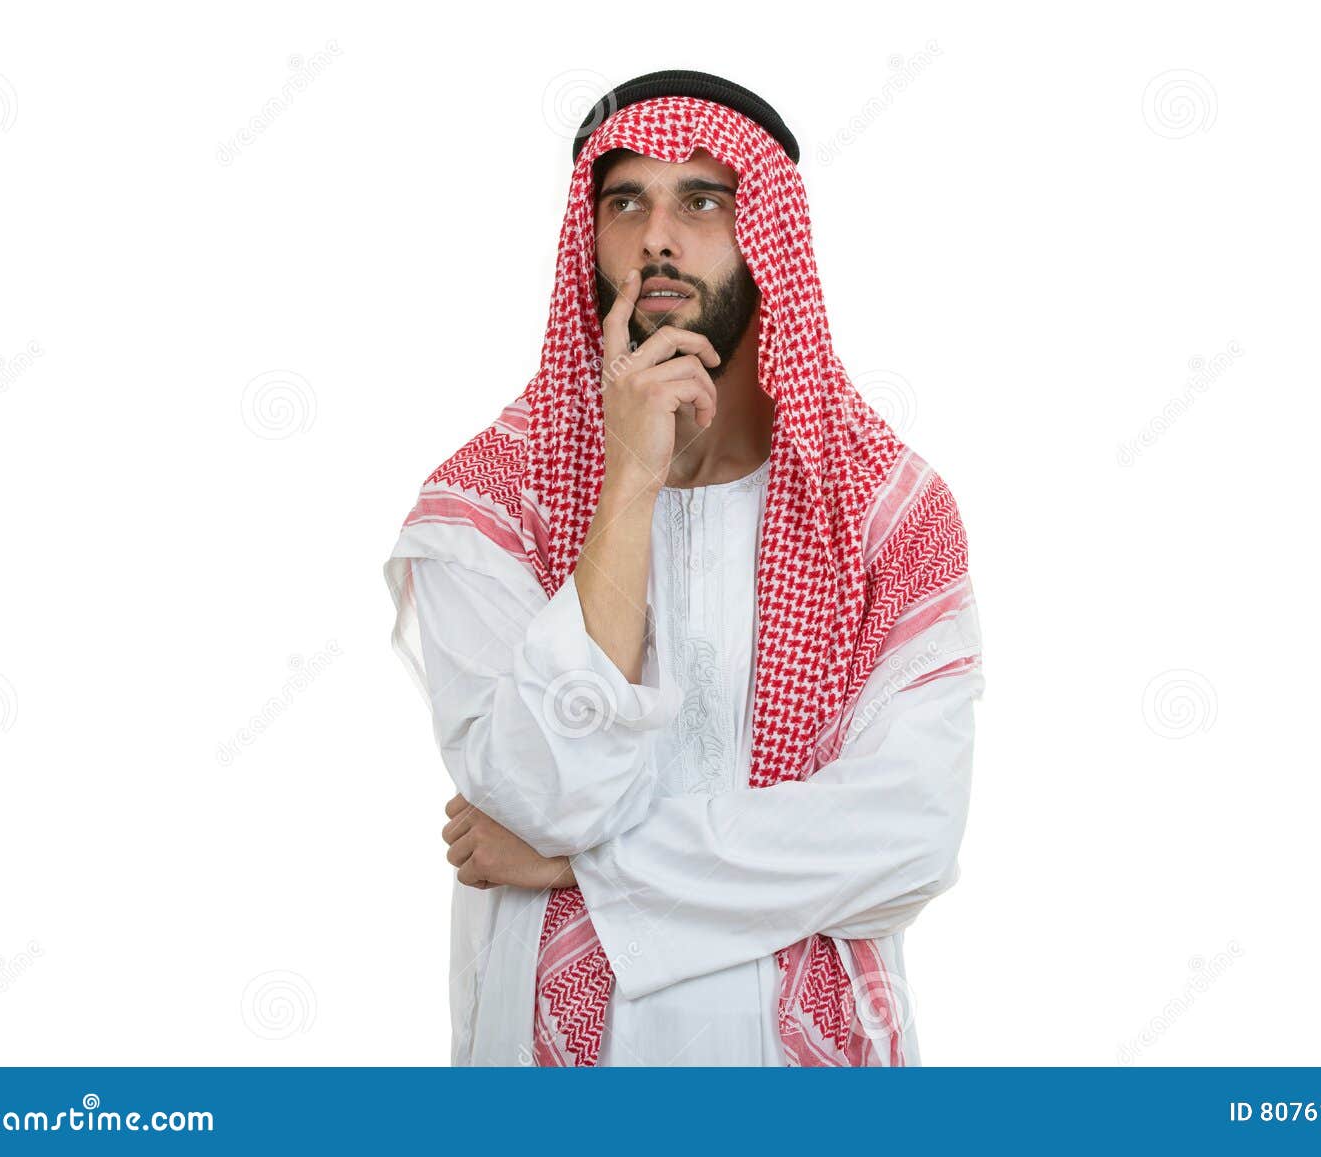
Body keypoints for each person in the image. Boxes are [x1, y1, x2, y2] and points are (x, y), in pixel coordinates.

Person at [382, 69, 985, 1066]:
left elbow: (908, 832)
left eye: (702, 199)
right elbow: (538, 795)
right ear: (592, 239)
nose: (658, 234)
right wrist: (626, 485)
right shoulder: (489, 503)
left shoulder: (885, 513)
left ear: (769, 239)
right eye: (626, 202)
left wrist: (579, 867)